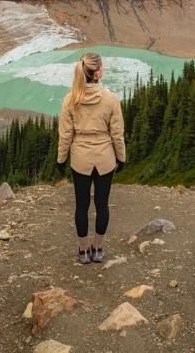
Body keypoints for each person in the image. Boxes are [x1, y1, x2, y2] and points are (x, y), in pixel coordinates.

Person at [56, 51, 125, 264]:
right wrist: (121, 157)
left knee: (81, 206)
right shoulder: (111, 100)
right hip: (105, 159)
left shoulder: (70, 100)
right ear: (97, 74)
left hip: (80, 159)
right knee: (102, 205)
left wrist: (61, 159)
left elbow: (66, 135)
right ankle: (98, 249)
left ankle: (83, 251)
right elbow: (117, 134)